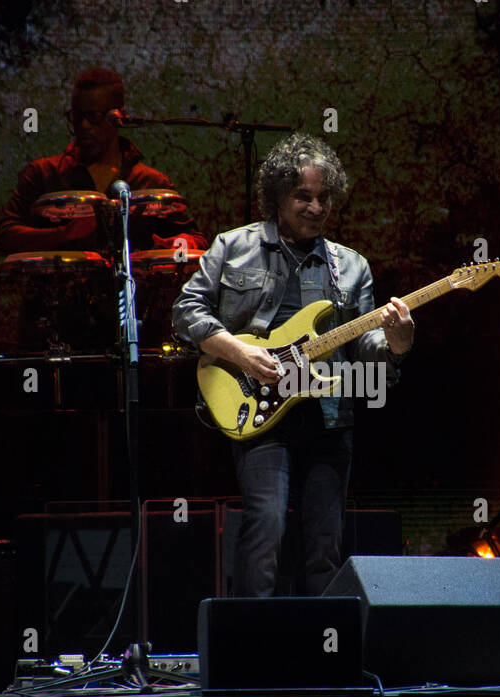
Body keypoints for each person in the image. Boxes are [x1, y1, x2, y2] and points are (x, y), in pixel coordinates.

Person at [172, 133, 413, 597]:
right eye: (304, 196)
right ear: (279, 195)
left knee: (325, 544)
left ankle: (324, 655)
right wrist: (240, 352)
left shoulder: (352, 266)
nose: (316, 207)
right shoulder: (232, 247)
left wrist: (398, 344)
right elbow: (186, 311)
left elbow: (366, 350)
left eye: (324, 198)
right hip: (259, 412)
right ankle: (250, 654)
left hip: (328, 416)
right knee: (265, 530)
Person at [0, 68, 206, 255]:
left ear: (118, 116)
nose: (84, 126)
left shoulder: (151, 183)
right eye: (77, 117)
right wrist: (63, 234)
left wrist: (182, 242)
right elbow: (6, 236)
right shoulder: (43, 175)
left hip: (135, 296)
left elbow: (196, 240)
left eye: (93, 116)